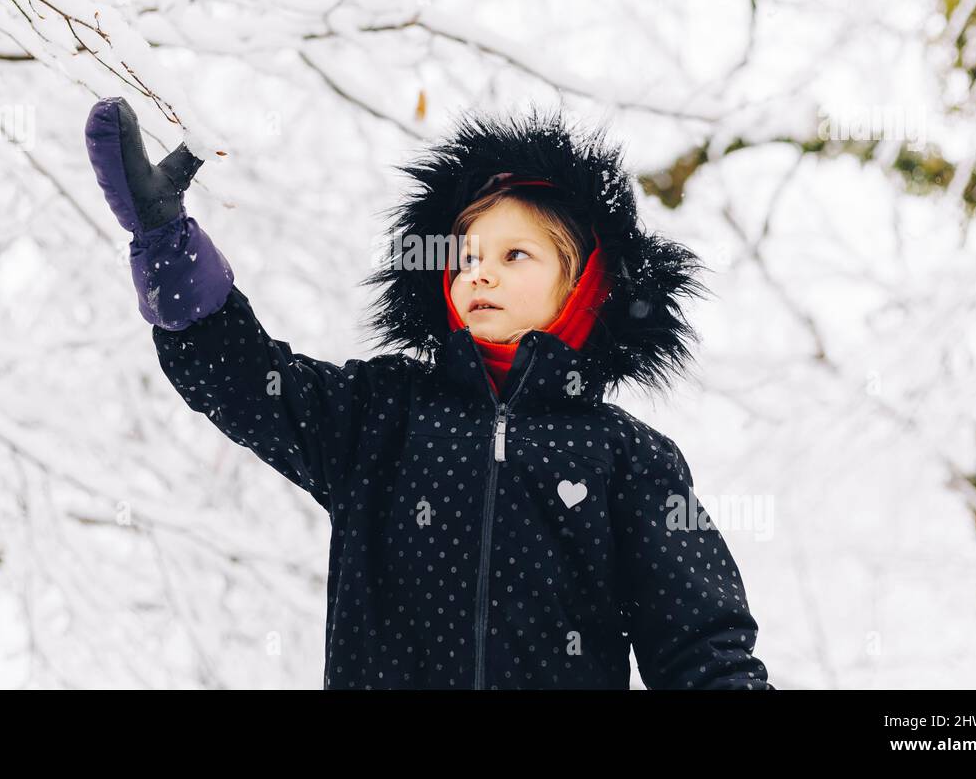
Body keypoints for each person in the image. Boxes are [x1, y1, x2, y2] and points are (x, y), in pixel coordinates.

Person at [84, 97, 774, 690]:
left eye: (514, 256)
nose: (481, 273)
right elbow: (247, 382)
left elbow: (700, 641)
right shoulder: (382, 415)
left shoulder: (629, 460)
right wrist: (165, 242)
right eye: (467, 256)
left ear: (584, 287)